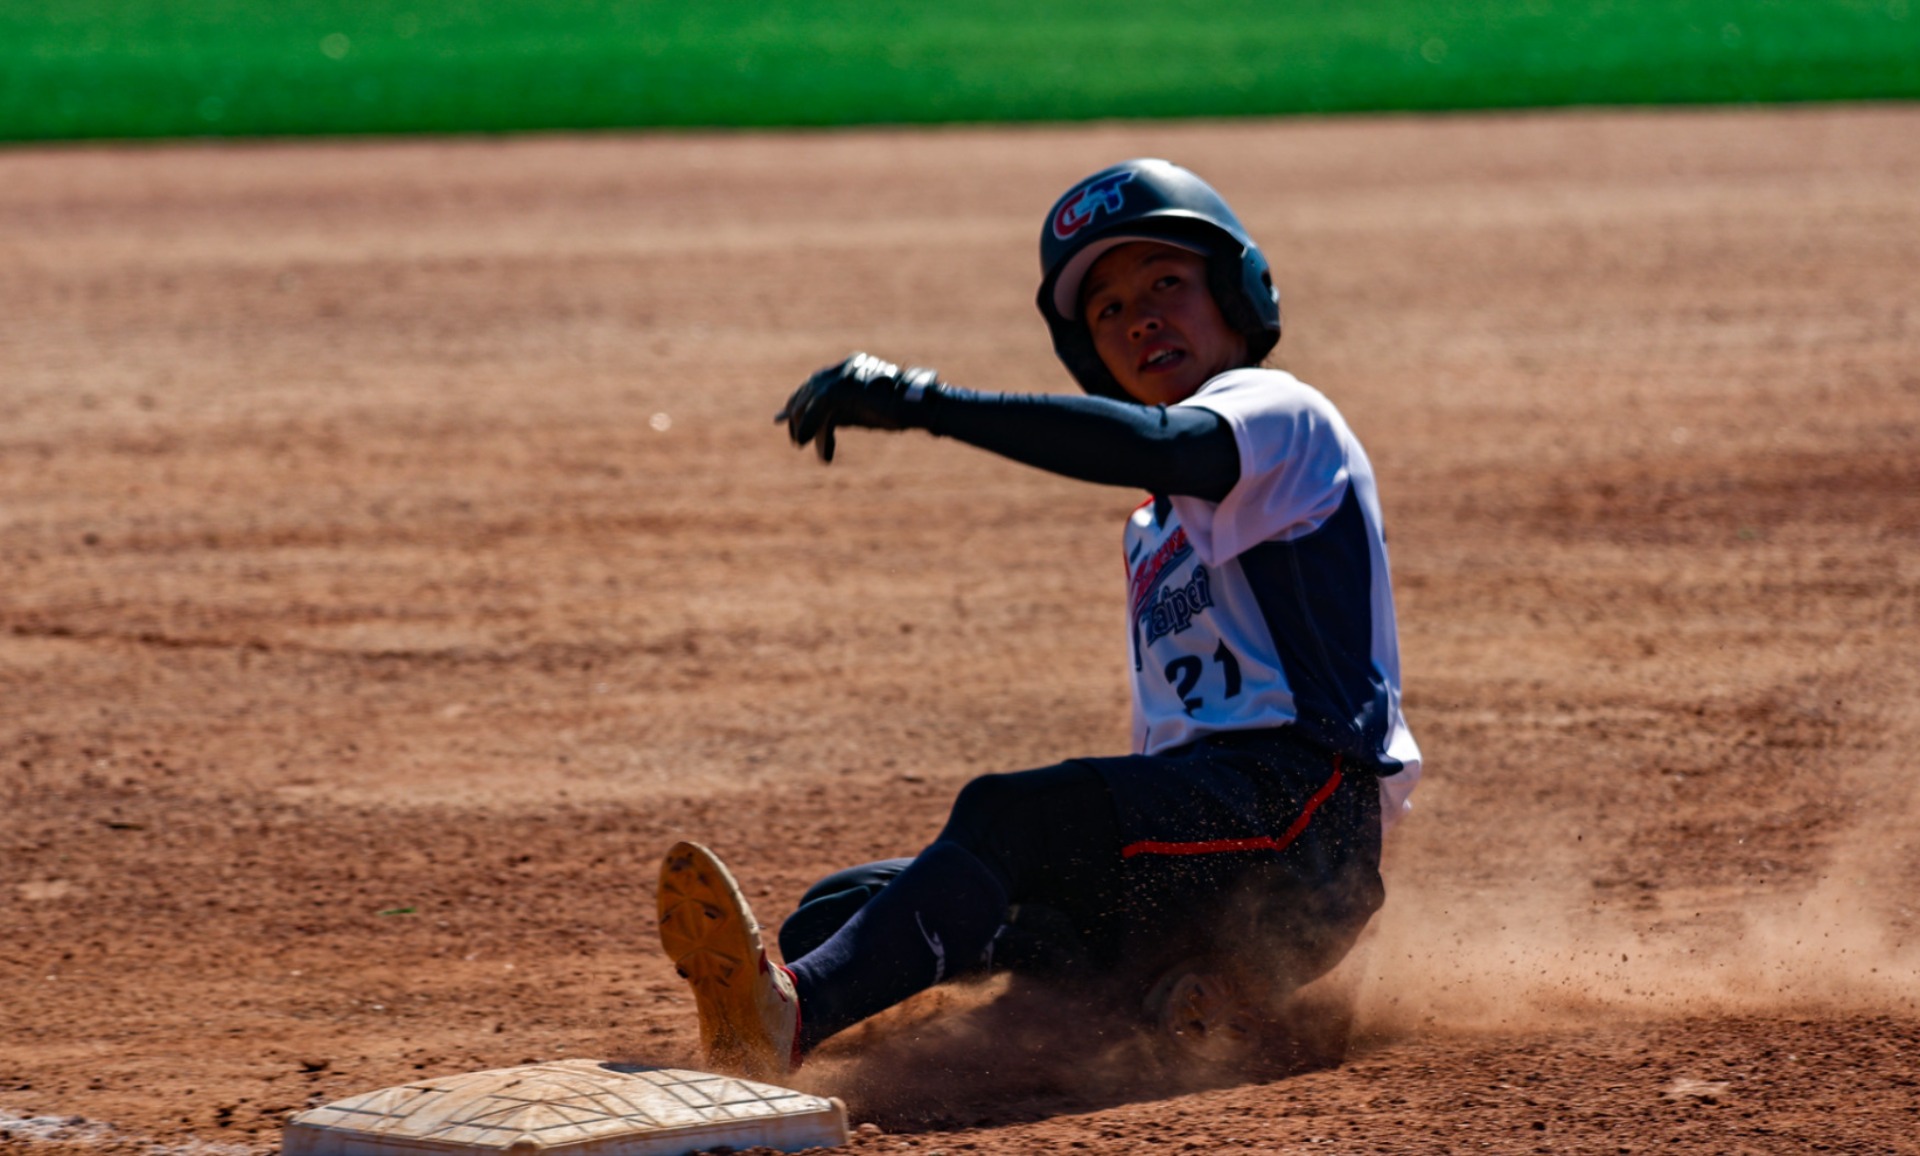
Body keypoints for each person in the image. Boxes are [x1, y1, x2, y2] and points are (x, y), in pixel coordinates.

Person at [656, 159, 1421, 1081]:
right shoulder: (1153, 530)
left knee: (1009, 817)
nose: (1140, 318)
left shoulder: (1283, 413)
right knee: (843, 911)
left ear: (1238, 292)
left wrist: (923, 401)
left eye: (1166, 283)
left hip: (1306, 827)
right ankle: (1177, 1000)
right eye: (1109, 309)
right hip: (1210, 847)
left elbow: (1162, 444)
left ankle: (788, 1018)